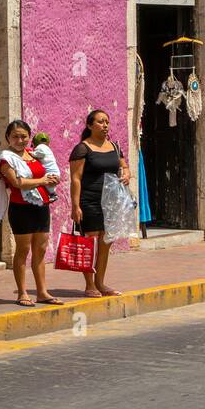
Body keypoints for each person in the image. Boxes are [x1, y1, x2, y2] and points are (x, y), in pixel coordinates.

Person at [0, 120, 62, 307]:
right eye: (15, 136)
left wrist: (51, 180)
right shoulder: (6, 159)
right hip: (21, 208)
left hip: (41, 206)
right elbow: (17, 182)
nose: (20, 140)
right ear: (8, 138)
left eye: (23, 136)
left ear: (29, 137)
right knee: (23, 250)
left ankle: (42, 292)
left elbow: (46, 173)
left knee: (40, 250)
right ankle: (23, 293)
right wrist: (42, 180)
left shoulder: (34, 155)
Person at [69, 109, 131, 298]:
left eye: (107, 122)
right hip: (90, 200)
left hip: (111, 202)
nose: (105, 125)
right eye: (100, 122)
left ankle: (100, 283)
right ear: (89, 125)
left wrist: (127, 173)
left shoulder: (113, 146)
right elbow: (76, 179)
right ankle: (89, 285)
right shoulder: (82, 148)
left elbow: (124, 165)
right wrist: (75, 205)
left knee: (106, 242)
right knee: (90, 242)